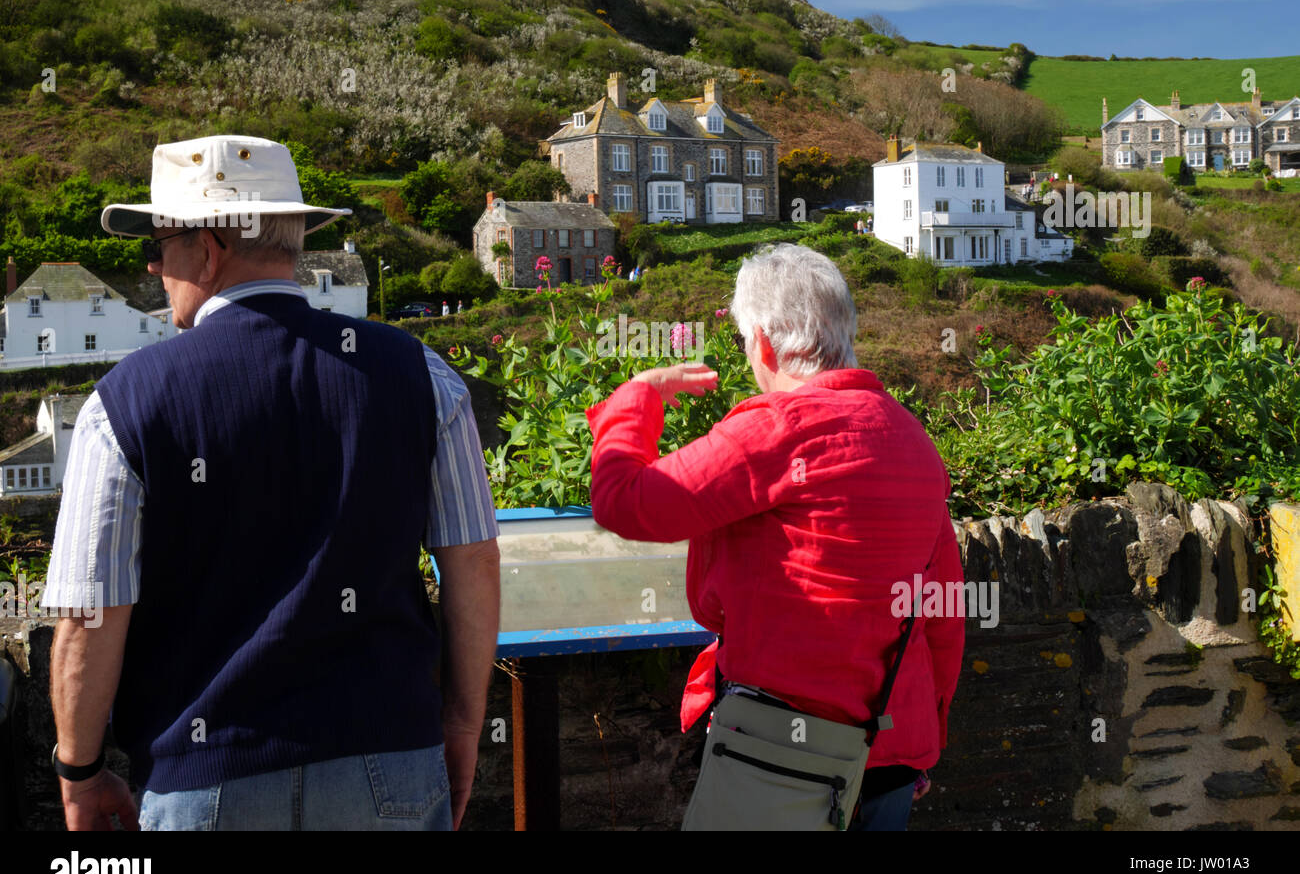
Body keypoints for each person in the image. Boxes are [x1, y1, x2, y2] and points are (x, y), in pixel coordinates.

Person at [42, 135, 500, 831]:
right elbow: (473, 561)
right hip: (391, 765)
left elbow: (87, 615)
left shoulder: (122, 405)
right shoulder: (422, 376)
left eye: (161, 244)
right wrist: (464, 723)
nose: (153, 266)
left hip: (207, 784)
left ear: (208, 248)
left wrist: (79, 771)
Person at [586, 243, 964, 830]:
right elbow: (943, 611)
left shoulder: (772, 430)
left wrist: (639, 395)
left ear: (761, 342)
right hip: (889, 748)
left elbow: (624, 501)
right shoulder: (910, 438)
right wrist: (924, 740)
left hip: (781, 754)